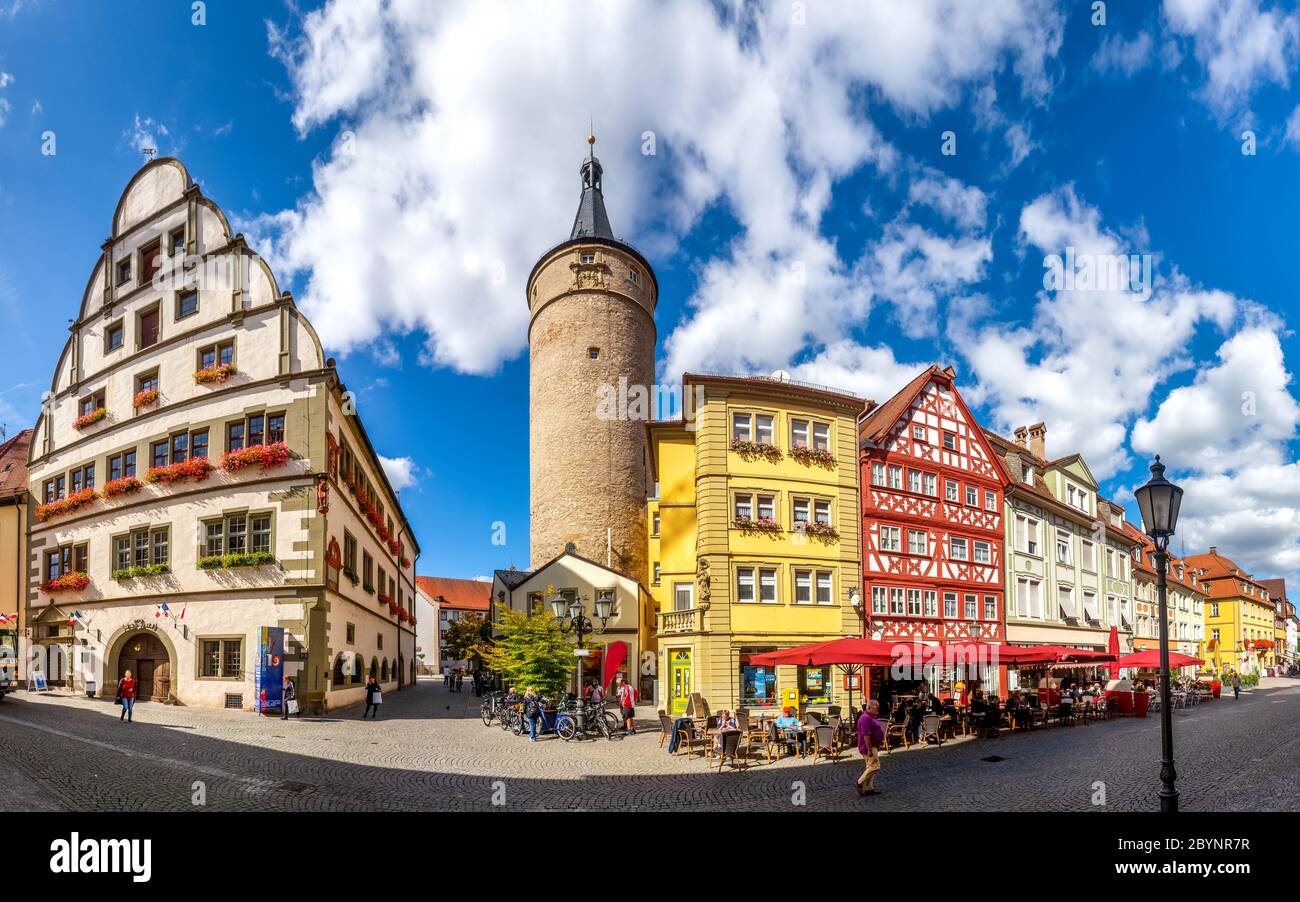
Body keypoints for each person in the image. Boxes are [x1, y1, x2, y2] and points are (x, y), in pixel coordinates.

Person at [855, 700, 886, 797]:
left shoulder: (870, 717)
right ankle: (859, 783)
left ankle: (869, 788)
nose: (877, 711)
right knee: (874, 767)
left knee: (870, 767)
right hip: (869, 747)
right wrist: (869, 750)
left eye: (877, 709)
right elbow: (866, 735)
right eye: (875, 709)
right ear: (869, 708)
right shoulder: (865, 718)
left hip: (873, 745)